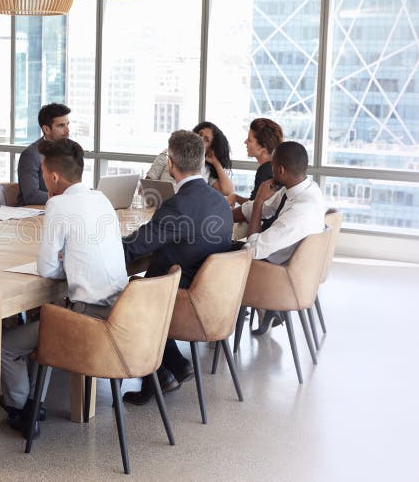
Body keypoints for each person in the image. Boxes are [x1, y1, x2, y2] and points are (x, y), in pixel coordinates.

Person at [1, 138, 128, 438]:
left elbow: (46, 268)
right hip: (120, 312)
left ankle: (21, 409)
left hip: (87, 319)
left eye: (43, 172)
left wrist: (61, 260)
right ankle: (33, 401)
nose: (43, 178)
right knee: (44, 317)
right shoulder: (101, 199)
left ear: (53, 176)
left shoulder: (58, 204)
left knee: (4, 344)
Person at [122, 130, 233, 405]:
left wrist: (103, 247)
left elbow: (136, 246)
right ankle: (174, 365)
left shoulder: (177, 205)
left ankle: (162, 373)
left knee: (132, 296)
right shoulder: (219, 201)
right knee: (144, 289)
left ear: (171, 163)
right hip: (208, 290)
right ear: (201, 162)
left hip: (182, 293)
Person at [241, 141, 326, 335]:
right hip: (286, 264)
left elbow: (251, 250)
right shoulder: (305, 188)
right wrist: (223, 214)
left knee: (218, 257)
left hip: (277, 273)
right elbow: (268, 208)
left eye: (272, 167)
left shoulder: (300, 210)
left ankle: (218, 324)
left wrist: (258, 202)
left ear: (279, 170)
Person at [146, 122, 234, 195]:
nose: (200, 139)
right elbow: (147, 183)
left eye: (206, 139)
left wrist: (215, 162)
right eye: (200, 134)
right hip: (163, 207)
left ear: (210, 148)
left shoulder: (207, 168)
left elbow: (227, 191)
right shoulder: (169, 152)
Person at [16, 103, 70, 206]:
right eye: (61, 126)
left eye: (67, 124)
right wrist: (64, 198)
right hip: (31, 214)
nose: (67, 131)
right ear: (46, 129)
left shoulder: (67, 151)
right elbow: (31, 196)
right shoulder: (31, 155)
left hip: (58, 209)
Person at [231, 117, 284, 210]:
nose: (245, 142)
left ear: (262, 146)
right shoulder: (272, 167)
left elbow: (254, 210)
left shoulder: (266, 170)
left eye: (250, 140)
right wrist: (236, 198)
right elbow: (254, 202)